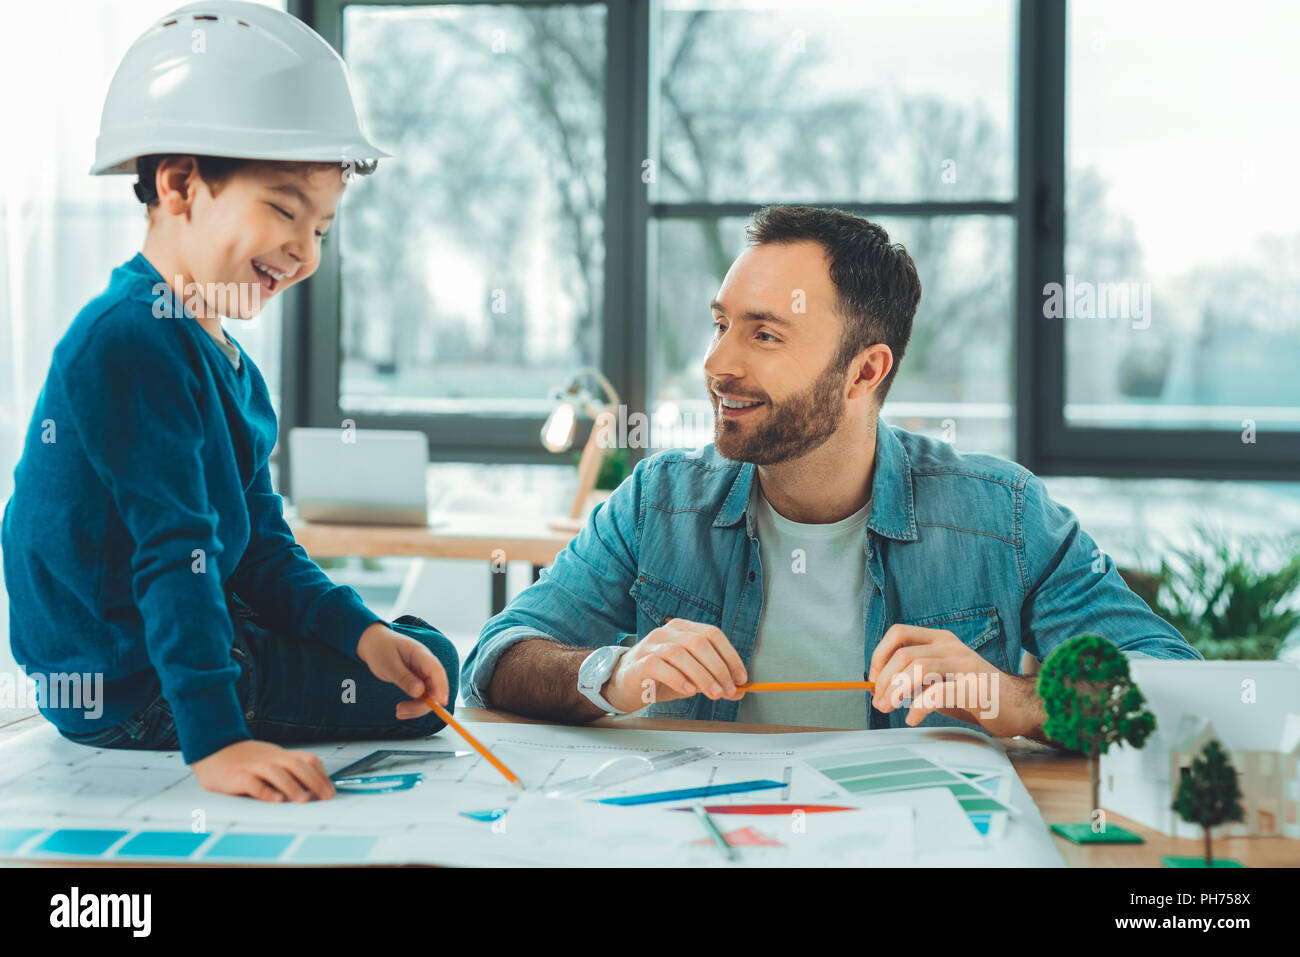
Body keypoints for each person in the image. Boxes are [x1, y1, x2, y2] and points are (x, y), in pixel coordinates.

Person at [463, 204, 1202, 737]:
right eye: (721, 324)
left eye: (764, 335)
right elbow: (495, 659)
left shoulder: (1003, 515)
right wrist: (611, 674)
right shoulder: (657, 502)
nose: (717, 363)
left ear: (864, 372)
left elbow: (1179, 689)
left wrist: (1014, 700)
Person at [1, 1, 456, 803]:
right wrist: (219, 743)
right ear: (180, 184)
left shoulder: (227, 362)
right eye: (283, 210)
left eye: (322, 229)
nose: (304, 251)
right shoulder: (130, 339)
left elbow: (261, 548)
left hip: (187, 637)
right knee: (425, 679)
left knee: (415, 655)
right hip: (131, 683)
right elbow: (173, 553)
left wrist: (359, 630)